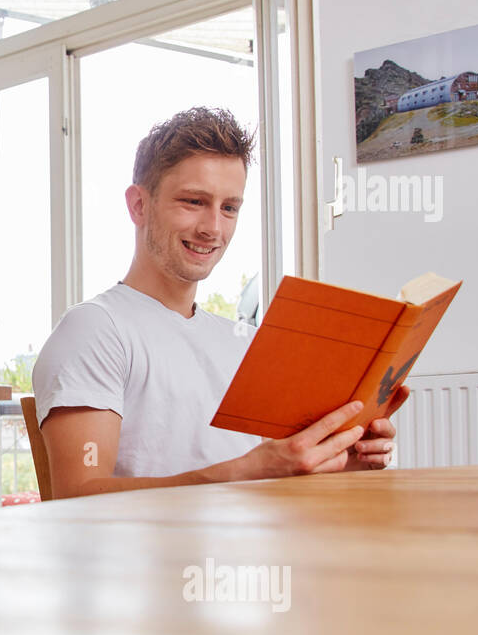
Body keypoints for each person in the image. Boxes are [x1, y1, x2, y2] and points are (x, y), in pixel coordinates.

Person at [31, 107, 406, 499]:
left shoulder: (240, 340)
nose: (213, 228)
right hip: (159, 559)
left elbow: (272, 476)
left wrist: (339, 462)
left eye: (229, 208)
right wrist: (245, 472)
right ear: (139, 205)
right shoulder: (96, 330)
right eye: (194, 201)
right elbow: (78, 495)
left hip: (248, 552)